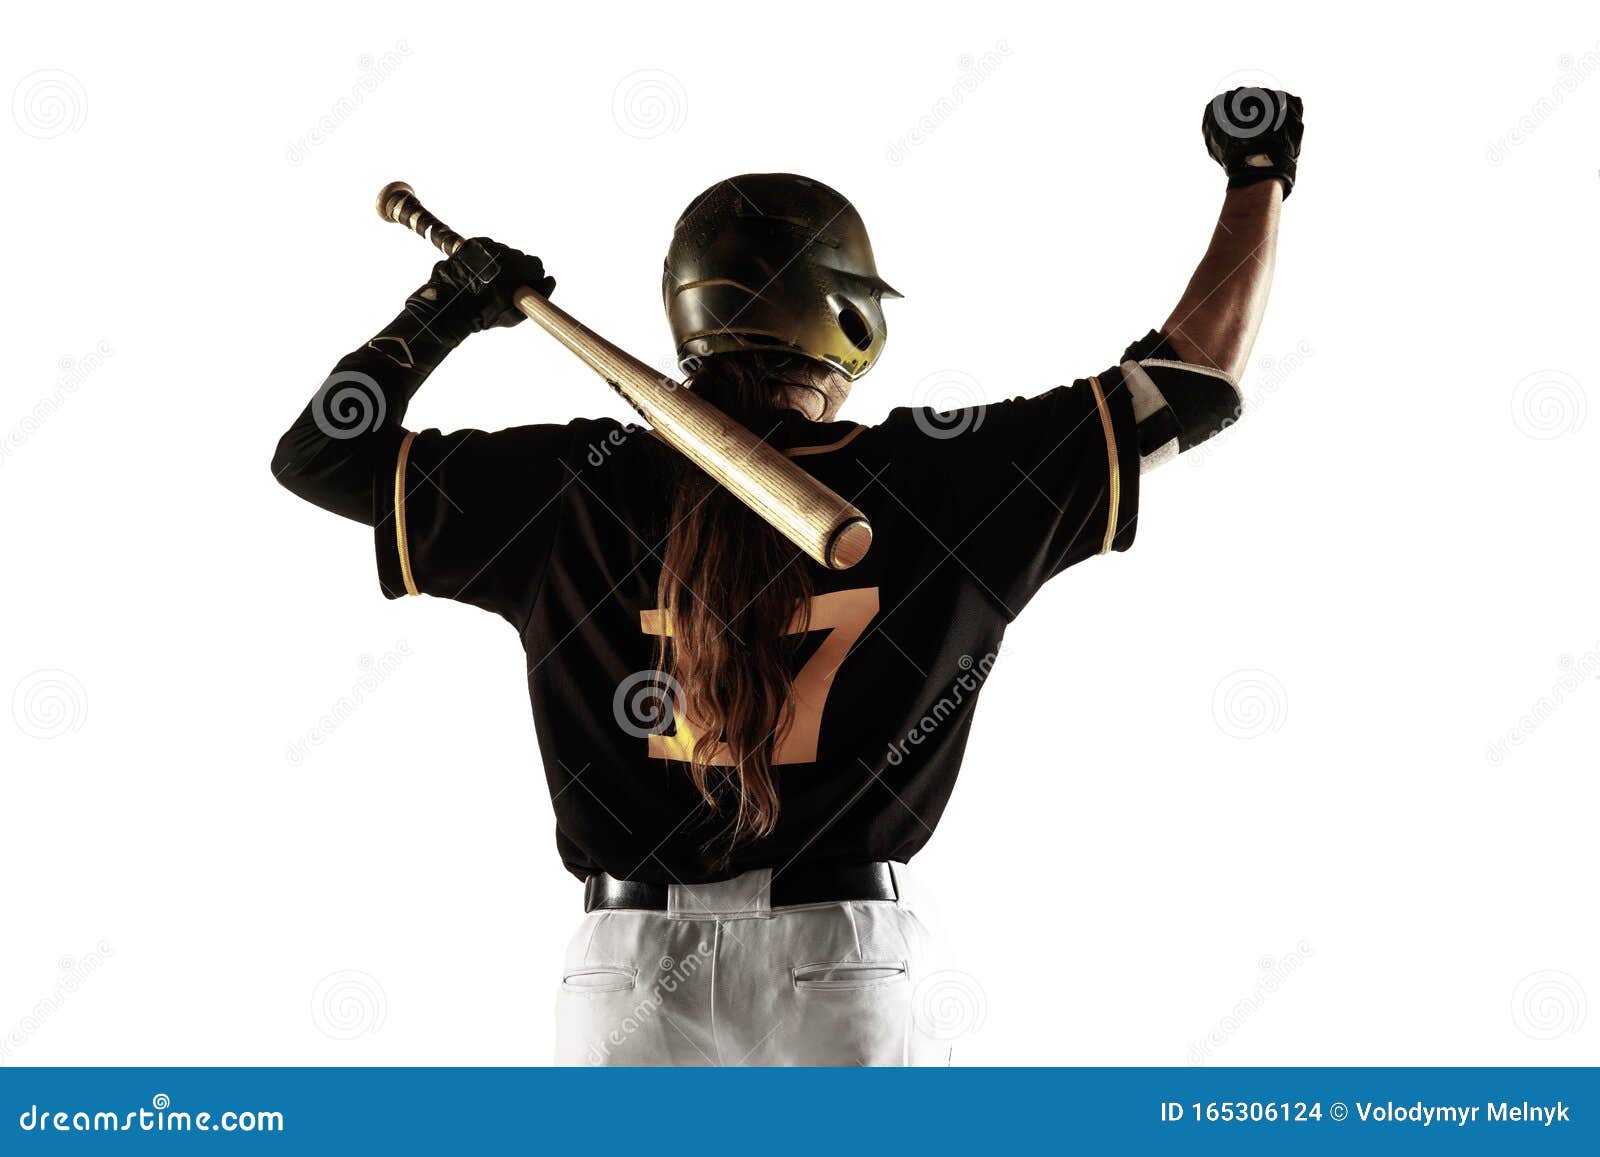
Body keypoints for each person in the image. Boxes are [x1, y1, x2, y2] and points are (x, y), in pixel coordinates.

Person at [272, 88, 1303, 1065]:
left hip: (626, 967)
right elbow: (1194, 384)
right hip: (838, 957)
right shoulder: (949, 479)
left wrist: (445, 304)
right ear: (851, 317)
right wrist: (1257, 171)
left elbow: (319, 455)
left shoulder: (568, 485)